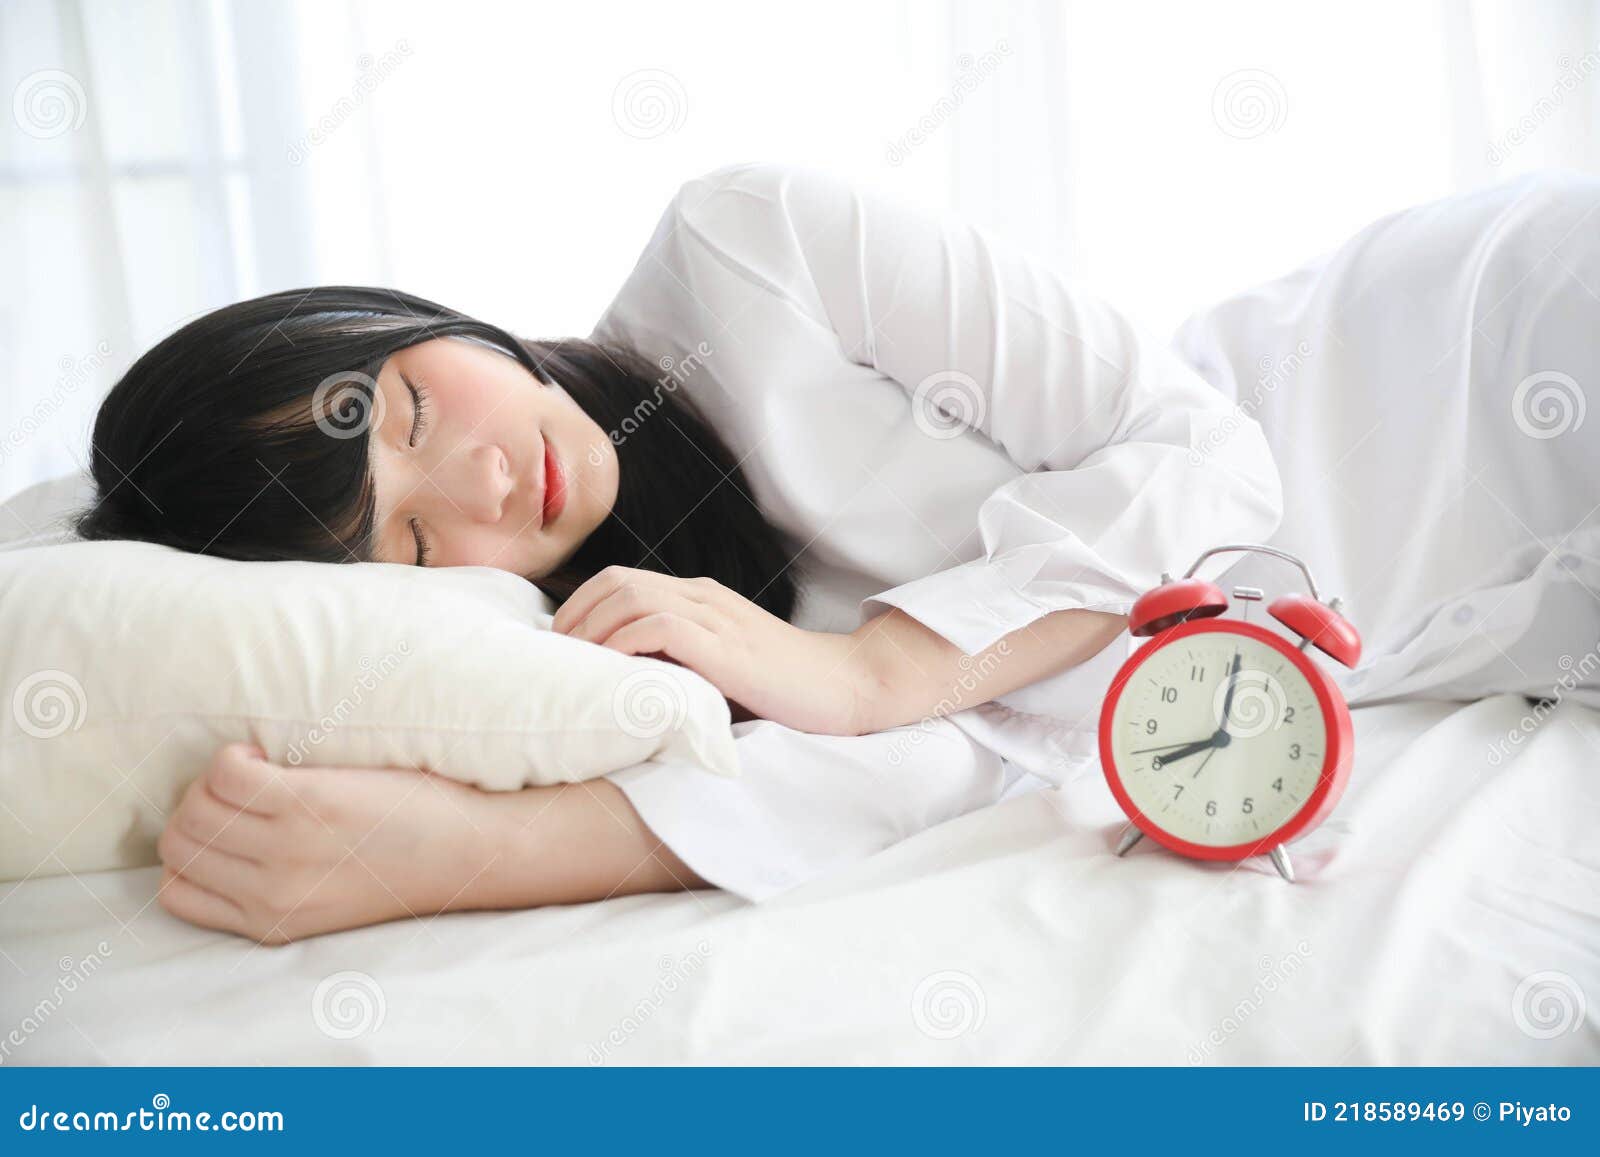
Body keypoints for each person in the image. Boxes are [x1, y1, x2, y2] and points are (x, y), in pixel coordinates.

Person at [78, 163, 1598, 943]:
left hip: (1460, 366)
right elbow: (959, 754)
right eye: (413, 541)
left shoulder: (750, 246)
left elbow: (1201, 453)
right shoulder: (616, 636)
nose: (479, 477)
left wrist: (869, 668)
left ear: (410, 317)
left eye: (412, 403)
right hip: (1438, 614)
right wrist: (461, 852)